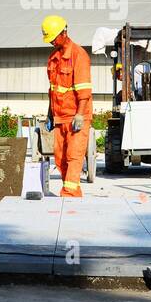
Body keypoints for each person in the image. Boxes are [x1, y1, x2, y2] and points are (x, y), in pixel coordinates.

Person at [41, 14, 92, 197]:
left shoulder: (79, 55)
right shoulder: (53, 58)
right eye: (49, 39)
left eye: (53, 37)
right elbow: (52, 90)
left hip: (76, 116)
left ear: (64, 32)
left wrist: (79, 115)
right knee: (60, 158)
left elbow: (84, 90)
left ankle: (69, 195)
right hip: (59, 116)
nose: (51, 42)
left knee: (73, 156)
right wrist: (49, 114)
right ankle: (73, 192)